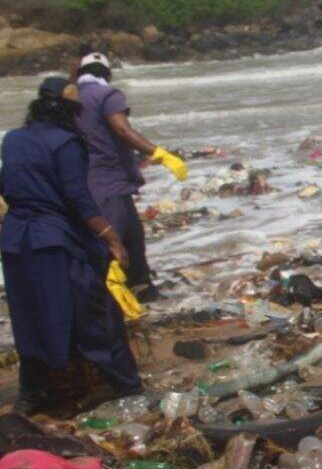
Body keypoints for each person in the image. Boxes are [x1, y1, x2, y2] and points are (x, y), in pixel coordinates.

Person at [0, 78, 143, 414]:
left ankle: (32, 394)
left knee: (31, 319)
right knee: (93, 315)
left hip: (16, 244)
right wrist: (112, 238)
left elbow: (8, 186)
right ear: (68, 110)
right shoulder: (66, 143)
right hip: (54, 241)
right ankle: (128, 386)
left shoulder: (13, 139)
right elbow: (78, 198)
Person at [74, 51, 188, 301]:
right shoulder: (108, 94)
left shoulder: (71, 99)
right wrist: (159, 153)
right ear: (107, 74)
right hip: (108, 184)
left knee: (133, 239)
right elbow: (123, 130)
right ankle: (114, 301)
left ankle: (143, 293)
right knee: (116, 243)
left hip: (86, 182)